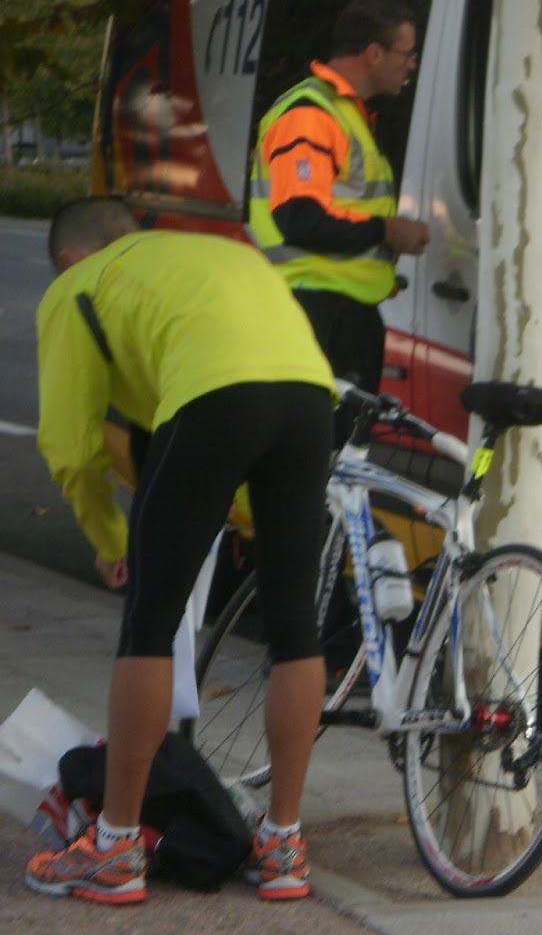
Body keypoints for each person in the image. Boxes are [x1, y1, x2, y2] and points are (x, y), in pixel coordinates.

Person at [27, 196, 334, 905]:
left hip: (214, 395)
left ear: (73, 259)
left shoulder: (77, 288)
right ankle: (284, 845)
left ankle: (114, 848)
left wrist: (111, 543)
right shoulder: (213, 255)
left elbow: (70, 447)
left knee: (150, 622)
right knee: (294, 624)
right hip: (309, 396)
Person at [248, 0, 431, 392]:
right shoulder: (310, 116)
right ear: (374, 54)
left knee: (343, 446)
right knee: (322, 448)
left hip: (338, 314)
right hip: (315, 313)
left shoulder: (347, 114)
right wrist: (385, 231)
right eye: (407, 53)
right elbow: (300, 219)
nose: (412, 64)